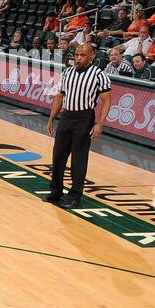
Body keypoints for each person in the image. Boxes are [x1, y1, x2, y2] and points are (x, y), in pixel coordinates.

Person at [46, 43, 111, 208]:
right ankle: (56, 191)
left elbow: (106, 101)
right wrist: (51, 118)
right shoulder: (67, 72)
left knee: (78, 159)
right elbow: (60, 96)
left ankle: (75, 196)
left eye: (82, 55)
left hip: (85, 118)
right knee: (58, 156)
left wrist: (100, 123)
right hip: (66, 116)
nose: (78, 58)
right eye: (76, 55)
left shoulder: (99, 75)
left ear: (92, 56)